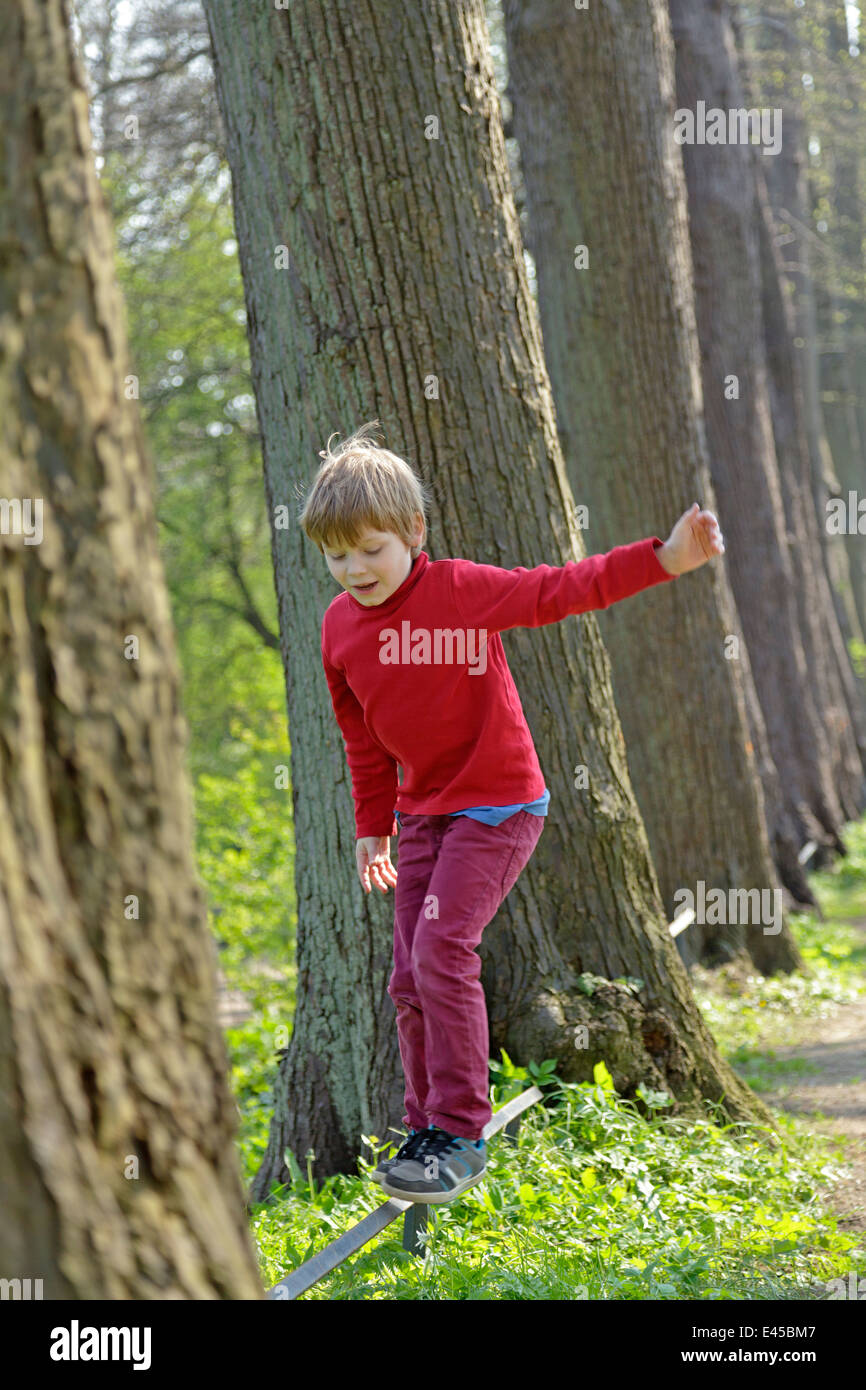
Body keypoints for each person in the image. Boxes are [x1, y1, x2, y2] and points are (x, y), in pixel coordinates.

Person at [297, 420, 724, 1204]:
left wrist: (663, 560)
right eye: (336, 555)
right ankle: (424, 1126)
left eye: (371, 549)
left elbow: (557, 589)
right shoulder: (337, 629)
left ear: (414, 533)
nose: (354, 569)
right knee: (406, 977)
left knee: (442, 947)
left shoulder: (457, 589)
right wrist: (371, 826)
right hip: (424, 815)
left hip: (497, 806)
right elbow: (360, 740)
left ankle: (460, 1132)